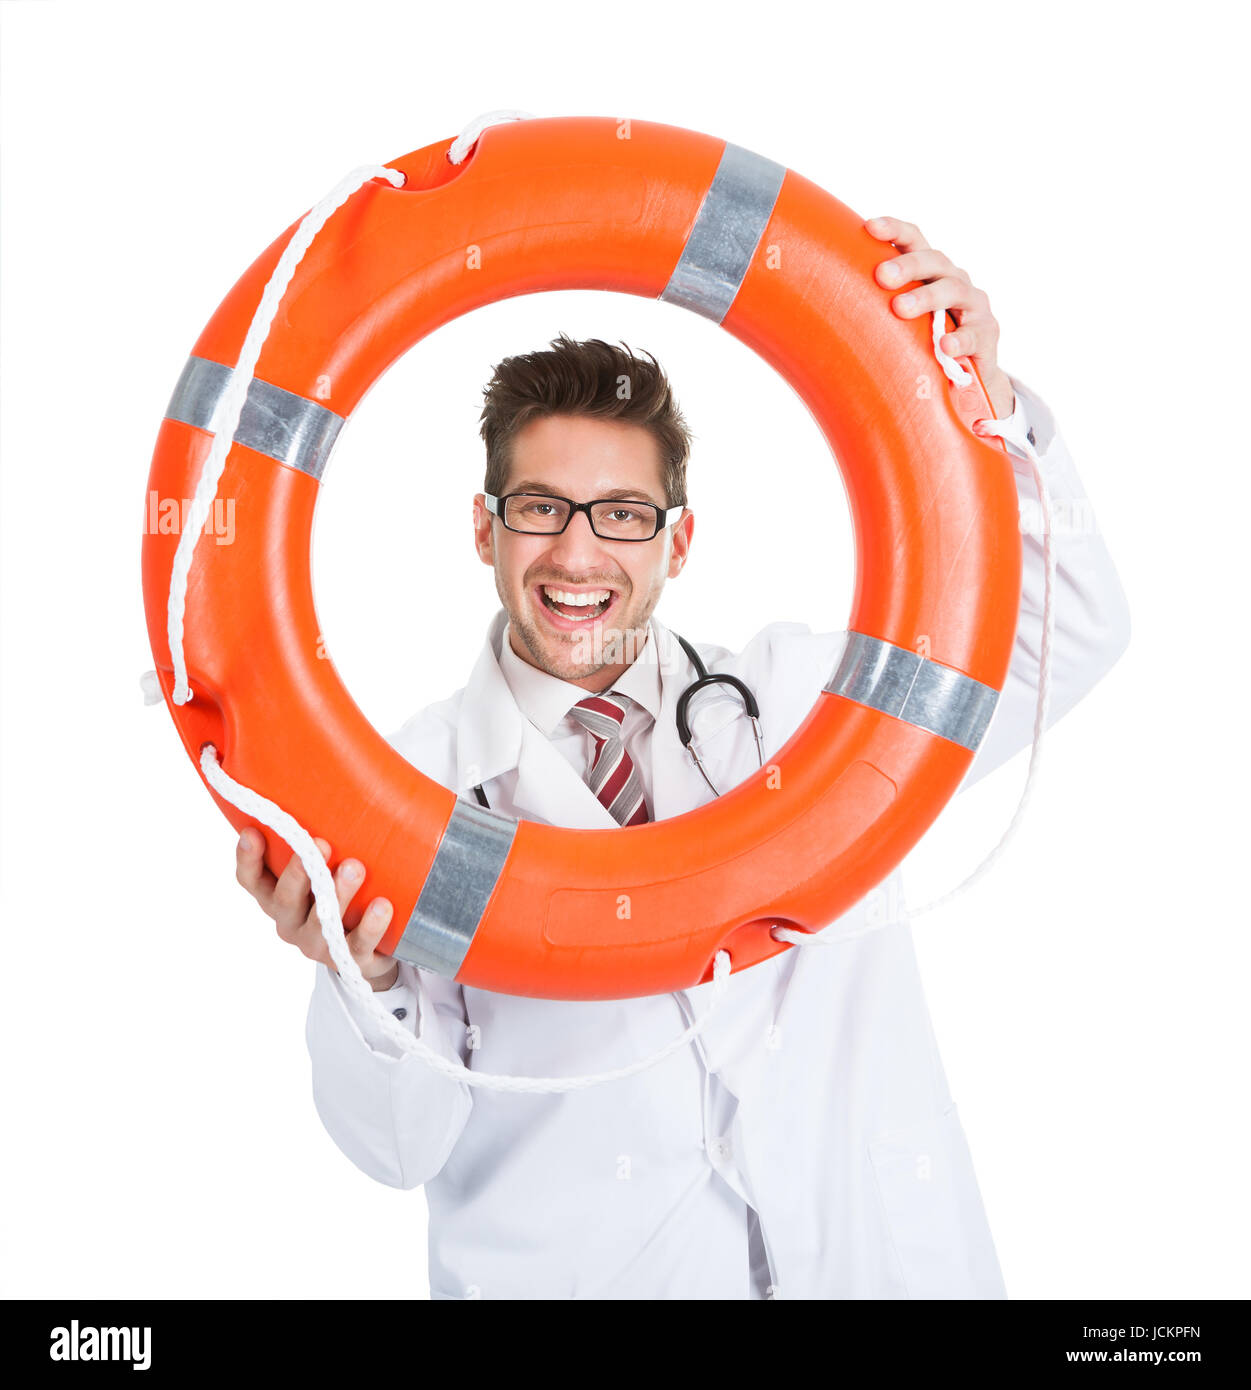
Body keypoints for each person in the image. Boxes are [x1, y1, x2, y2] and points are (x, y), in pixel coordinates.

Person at [235, 217, 1131, 1300]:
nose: (577, 554)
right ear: (484, 529)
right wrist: (361, 973)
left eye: (622, 514)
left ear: (679, 541)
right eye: (540, 508)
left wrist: (982, 403)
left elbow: (1069, 630)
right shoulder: (395, 792)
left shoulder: (808, 708)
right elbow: (395, 1146)